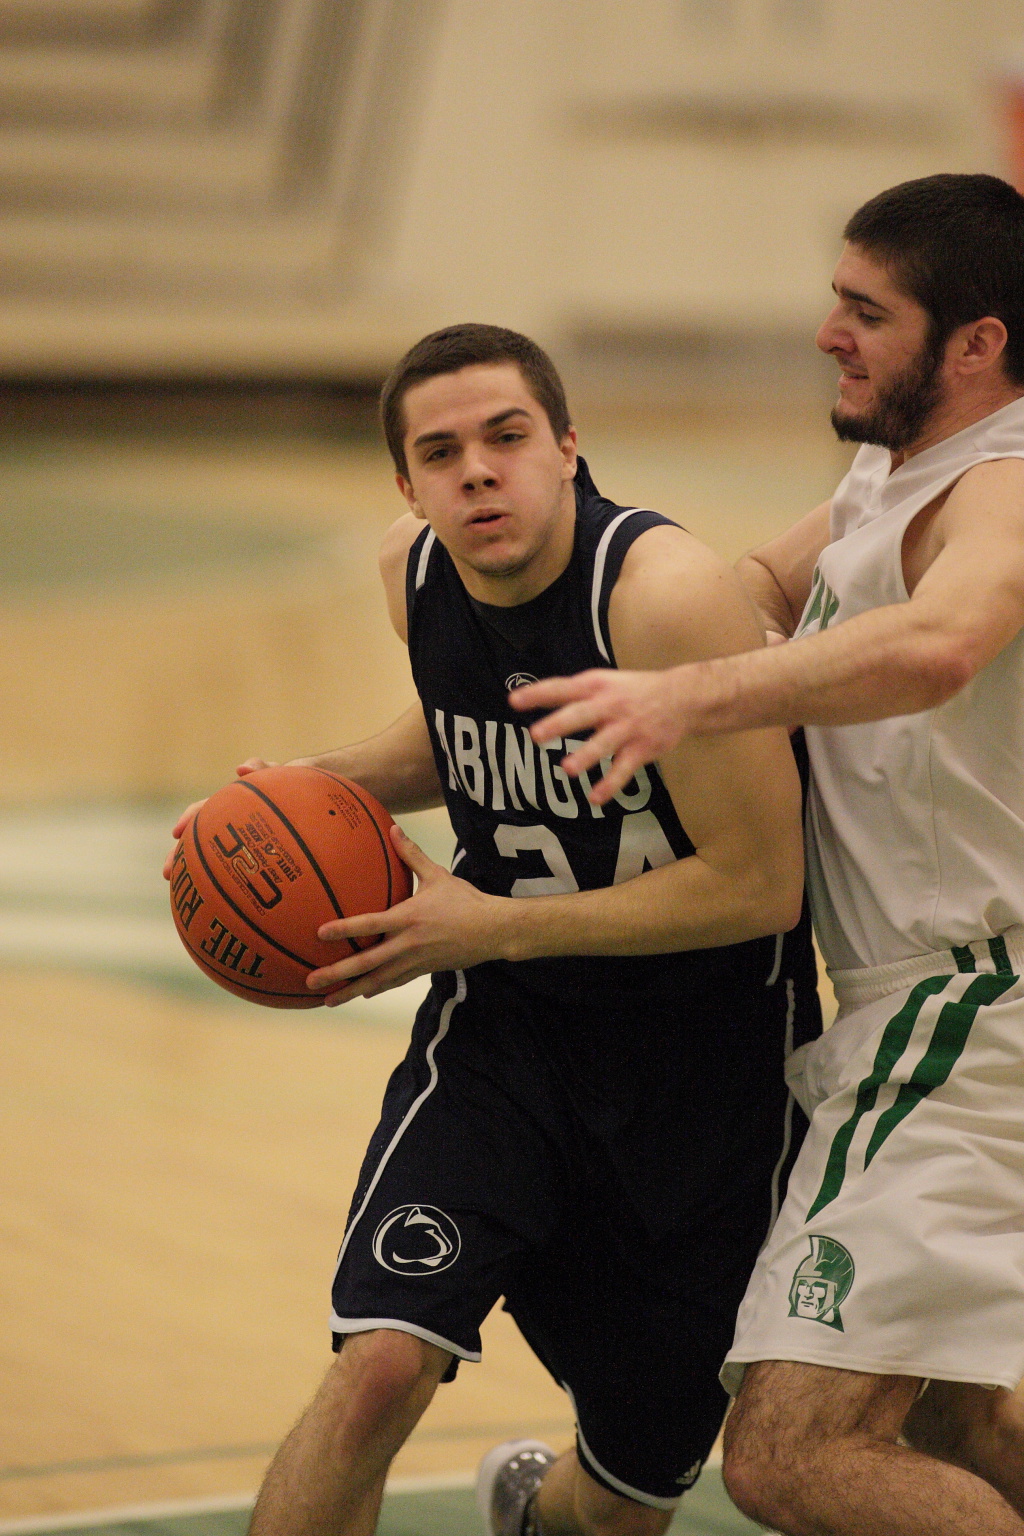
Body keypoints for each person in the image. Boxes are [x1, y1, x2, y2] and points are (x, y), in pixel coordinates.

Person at [168, 323, 821, 1536]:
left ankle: (530, 1511)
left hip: (708, 1083)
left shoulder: (663, 600)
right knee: (378, 1365)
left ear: (568, 446)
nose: (476, 471)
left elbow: (758, 887)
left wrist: (487, 927)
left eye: (506, 437)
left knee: (623, 1502)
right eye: (441, 452)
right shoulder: (414, 575)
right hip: (507, 1047)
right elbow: (466, 721)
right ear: (406, 485)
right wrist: (287, 798)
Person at [514, 174, 1024, 1535]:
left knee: (792, 1455)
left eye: (867, 311)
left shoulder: (1003, 487)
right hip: (949, 1002)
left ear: (975, 344)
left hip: (967, 1014)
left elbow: (942, 643)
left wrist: (684, 699)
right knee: (959, 1419)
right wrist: (564, 611)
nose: (825, 332)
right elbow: (746, 593)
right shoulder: (894, 468)